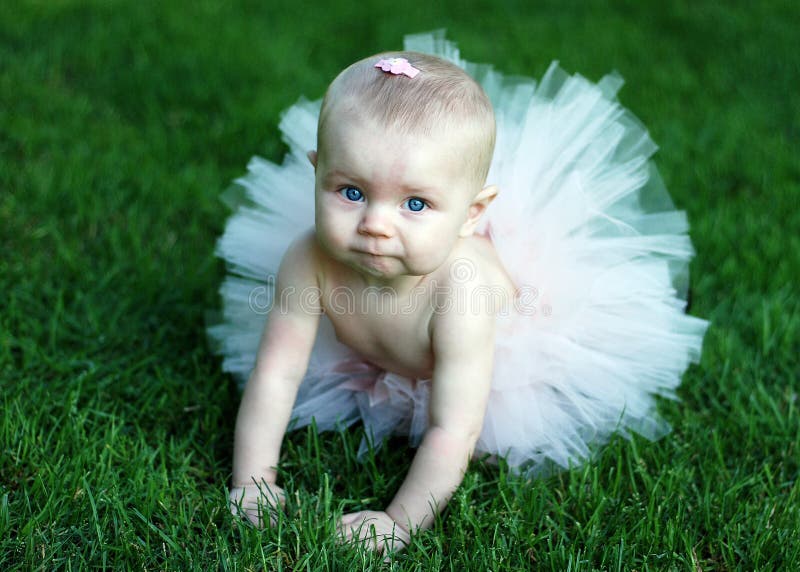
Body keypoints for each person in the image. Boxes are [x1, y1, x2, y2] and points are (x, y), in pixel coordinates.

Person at [209, 32, 708, 555]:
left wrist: (398, 523)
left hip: (505, 343)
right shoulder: (310, 257)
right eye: (351, 192)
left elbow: (452, 428)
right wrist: (252, 482)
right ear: (317, 173)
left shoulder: (459, 291)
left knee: (490, 423)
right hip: (404, 342)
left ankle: (642, 305)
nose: (375, 224)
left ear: (472, 214)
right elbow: (277, 372)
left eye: (415, 204)